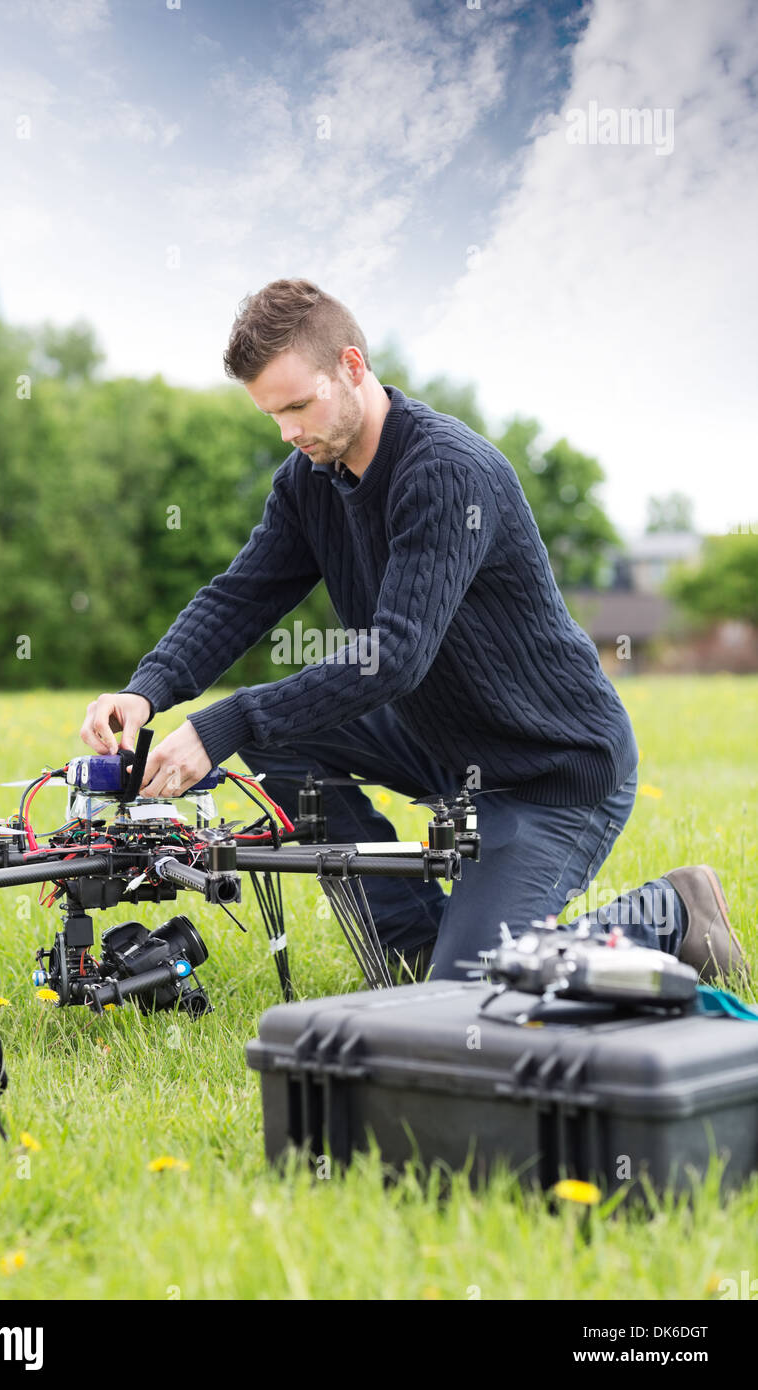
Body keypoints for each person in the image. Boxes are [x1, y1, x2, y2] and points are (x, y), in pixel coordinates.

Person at [79, 278, 748, 985]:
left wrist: (228, 721)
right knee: (283, 733)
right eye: (272, 414)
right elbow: (241, 596)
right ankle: (410, 943)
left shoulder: (446, 473)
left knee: (476, 990)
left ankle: (674, 909)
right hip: (442, 741)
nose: (288, 431)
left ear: (352, 367)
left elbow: (394, 657)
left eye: (298, 405)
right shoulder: (310, 479)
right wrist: (147, 692)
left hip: (548, 767)